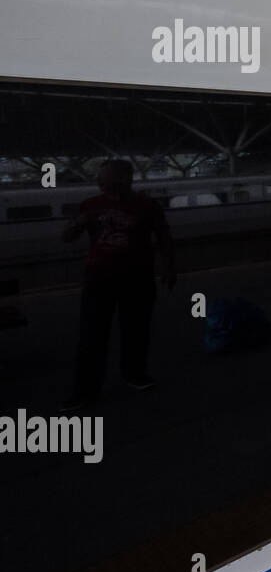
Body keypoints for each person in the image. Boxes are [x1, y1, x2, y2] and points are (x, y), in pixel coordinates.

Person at [62, 159, 175, 410]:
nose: (100, 184)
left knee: (136, 329)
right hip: (99, 279)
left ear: (126, 180)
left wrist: (168, 265)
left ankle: (133, 373)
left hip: (138, 278)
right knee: (92, 335)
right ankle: (86, 389)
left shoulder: (147, 205)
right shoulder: (90, 205)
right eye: (100, 180)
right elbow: (66, 237)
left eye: (106, 180)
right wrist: (79, 222)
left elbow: (163, 236)